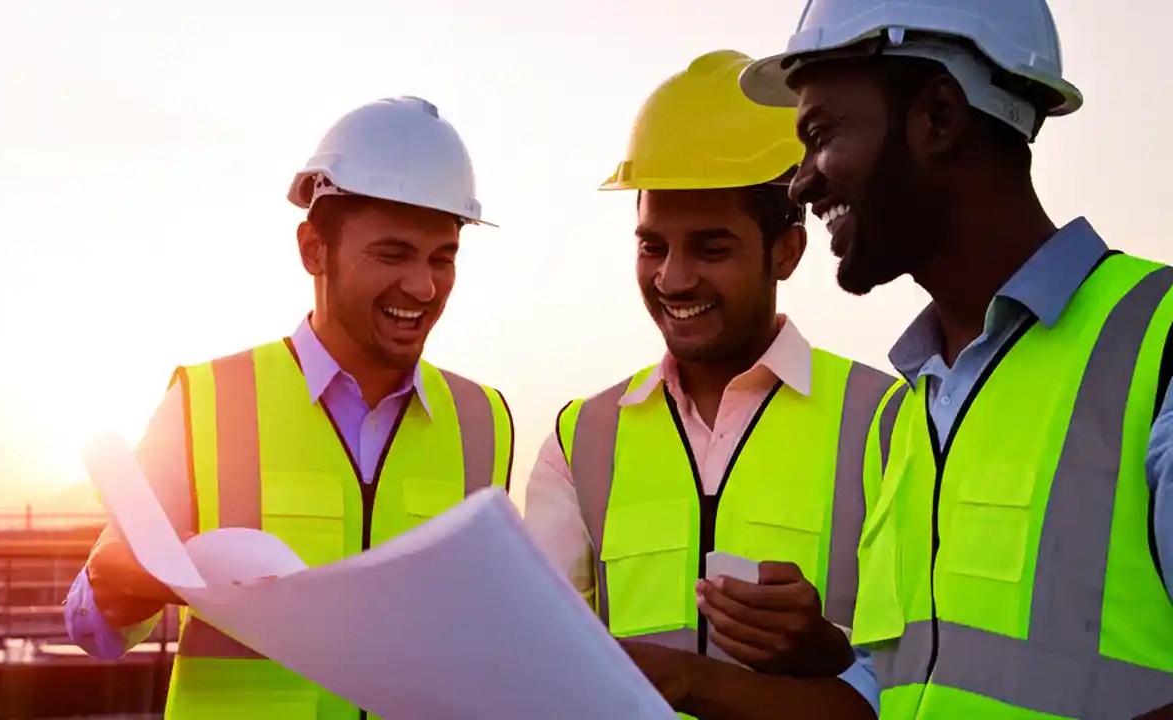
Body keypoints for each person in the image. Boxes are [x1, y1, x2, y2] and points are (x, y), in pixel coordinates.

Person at [721, 0, 1173, 717]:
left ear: (937, 115)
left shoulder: (1159, 343)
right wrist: (685, 683)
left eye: (820, 134)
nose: (800, 181)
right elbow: (894, 689)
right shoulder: (908, 417)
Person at [63, 96, 514, 719]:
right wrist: (116, 585)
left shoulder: (483, 421)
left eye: (443, 257)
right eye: (392, 254)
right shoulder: (207, 401)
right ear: (313, 251)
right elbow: (93, 626)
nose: (423, 286)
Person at [520, 50, 904, 719]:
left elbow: (910, 687)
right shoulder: (581, 439)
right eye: (652, 246)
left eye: (711, 247)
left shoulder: (887, 421)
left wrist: (826, 651)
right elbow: (539, 669)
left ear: (786, 250)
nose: (672, 278)